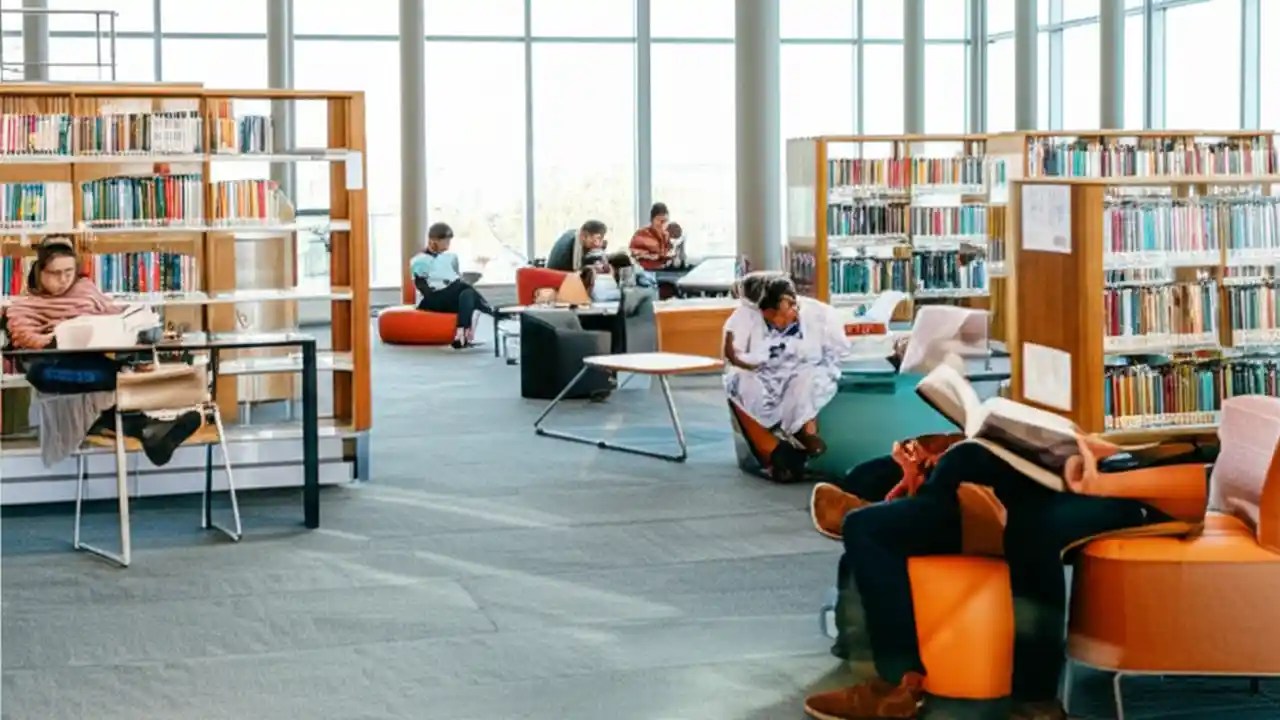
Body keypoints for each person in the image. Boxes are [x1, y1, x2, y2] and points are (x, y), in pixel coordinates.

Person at [802, 423, 1198, 720]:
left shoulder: (1206, 451)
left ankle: (1029, 700)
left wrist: (1097, 478)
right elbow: (1119, 448)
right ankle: (900, 682)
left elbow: (1198, 487)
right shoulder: (1162, 441)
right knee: (963, 453)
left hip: (1116, 497)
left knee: (1023, 526)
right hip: (1073, 477)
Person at [5, 236, 201, 467]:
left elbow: (114, 312)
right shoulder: (24, 305)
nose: (64, 279)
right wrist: (54, 340)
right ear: (40, 273)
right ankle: (146, 428)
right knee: (105, 377)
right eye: (55, 273)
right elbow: (23, 337)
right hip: (52, 364)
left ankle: (145, 429)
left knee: (111, 374)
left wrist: (141, 325)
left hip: (91, 359)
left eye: (69, 271)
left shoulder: (85, 290)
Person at [723, 272, 848, 461]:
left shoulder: (821, 316)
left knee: (807, 380)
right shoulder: (747, 317)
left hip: (807, 370)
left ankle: (804, 434)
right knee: (739, 382)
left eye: (780, 315)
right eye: (770, 317)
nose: (776, 321)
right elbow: (733, 355)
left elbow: (839, 353)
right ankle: (772, 450)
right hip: (763, 373)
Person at [411, 222, 493, 349]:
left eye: (449, 241)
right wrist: (448, 288)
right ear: (434, 240)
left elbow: (454, 278)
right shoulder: (420, 260)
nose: (448, 244)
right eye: (446, 241)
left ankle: (460, 335)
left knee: (467, 293)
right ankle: (491, 311)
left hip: (450, 297)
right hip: (431, 300)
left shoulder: (450, 258)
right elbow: (422, 288)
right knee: (463, 287)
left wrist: (455, 285)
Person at [630, 202, 676, 271]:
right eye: (659, 220)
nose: (662, 223)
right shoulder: (641, 234)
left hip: (663, 270)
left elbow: (670, 253)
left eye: (665, 221)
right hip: (646, 271)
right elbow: (634, 254)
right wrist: (652, 256)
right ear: (652, 219)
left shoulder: (666, 235)